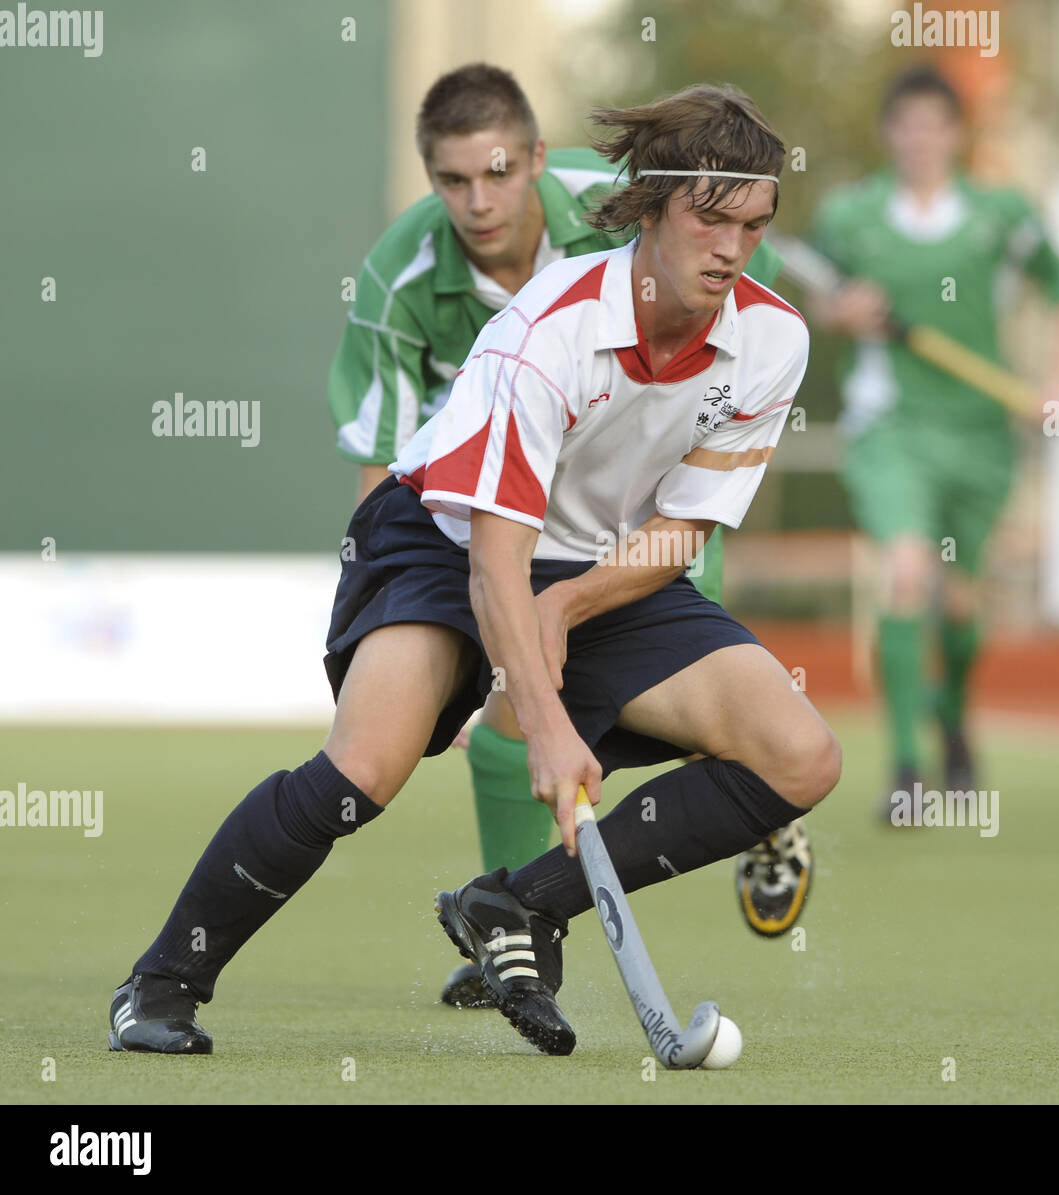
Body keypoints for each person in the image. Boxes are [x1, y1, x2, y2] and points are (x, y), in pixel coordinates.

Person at [109, 83, 839, 1058]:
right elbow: (498, 562)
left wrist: (573, 601)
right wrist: (542, 724)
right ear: (650, 210)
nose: (730, 249)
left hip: (593, 557)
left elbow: (681, 528)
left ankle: (516, 901)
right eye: (708, 220)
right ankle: (161, 983)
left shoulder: (771, 338)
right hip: (444, 538)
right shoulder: (553, 331)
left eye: (752, 224)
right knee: (362, 772)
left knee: (799, 754)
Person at [327, 65, 813, 1013]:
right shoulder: (400, 275)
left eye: (499, 174)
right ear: (428, 180)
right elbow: (384, 460)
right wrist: (408, 605)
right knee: (512, 711)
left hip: (639, 495)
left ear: (540, 162)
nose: (479, 201)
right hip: (501, 489)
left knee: (721, 699)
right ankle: (508, 925)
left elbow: (744, 270)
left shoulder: (627, 206)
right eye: (453, 182)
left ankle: (751, 796)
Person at [807, 66, 1059, 818]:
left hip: (982, 433)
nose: (921, 139)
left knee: (962, 607)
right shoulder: (851, 216)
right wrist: (840, 314)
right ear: (888, 133)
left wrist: (1053, 383)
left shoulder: (1002, 213)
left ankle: (952, 716)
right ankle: (904, 769)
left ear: (957, 135)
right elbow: (812, 295)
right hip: (891, 427)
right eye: (907, 124)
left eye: (936, 125)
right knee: (903, 572)